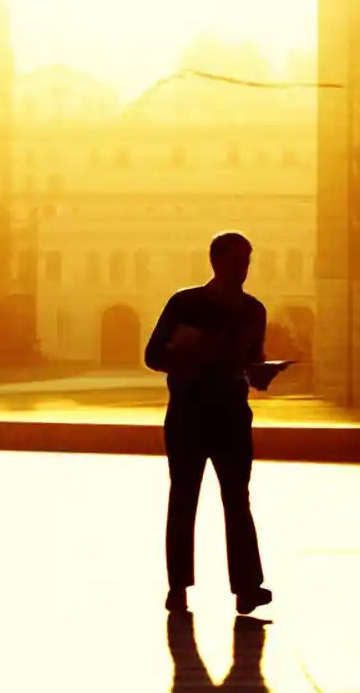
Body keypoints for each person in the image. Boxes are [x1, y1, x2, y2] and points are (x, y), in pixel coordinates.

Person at [145, 232, 284, 616]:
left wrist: (262, 372)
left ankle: (247, 586)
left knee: (237, 500)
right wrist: (192, 356)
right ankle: (178, 587)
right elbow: (153, 354)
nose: (243, 269)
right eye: (237, 261)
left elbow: (252, 359)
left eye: (247, 262)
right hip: (190, 410)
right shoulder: (185, 304)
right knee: (184, 498)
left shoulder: (253, 310)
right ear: (217, 262)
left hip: (231, 413)